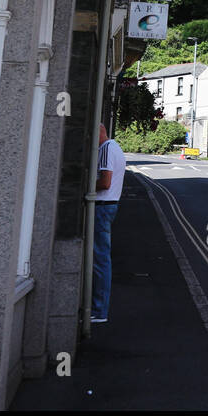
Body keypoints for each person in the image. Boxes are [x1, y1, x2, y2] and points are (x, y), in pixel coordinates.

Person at [91, 123, 126, 324]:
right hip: (108, 206)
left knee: (101, 259)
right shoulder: (114, 147)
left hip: (103, 207)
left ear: (99, 133)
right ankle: (97, 308)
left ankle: (99, 310)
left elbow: (105, 182)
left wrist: (85, 184)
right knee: (100, 258)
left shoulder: (106, 149)